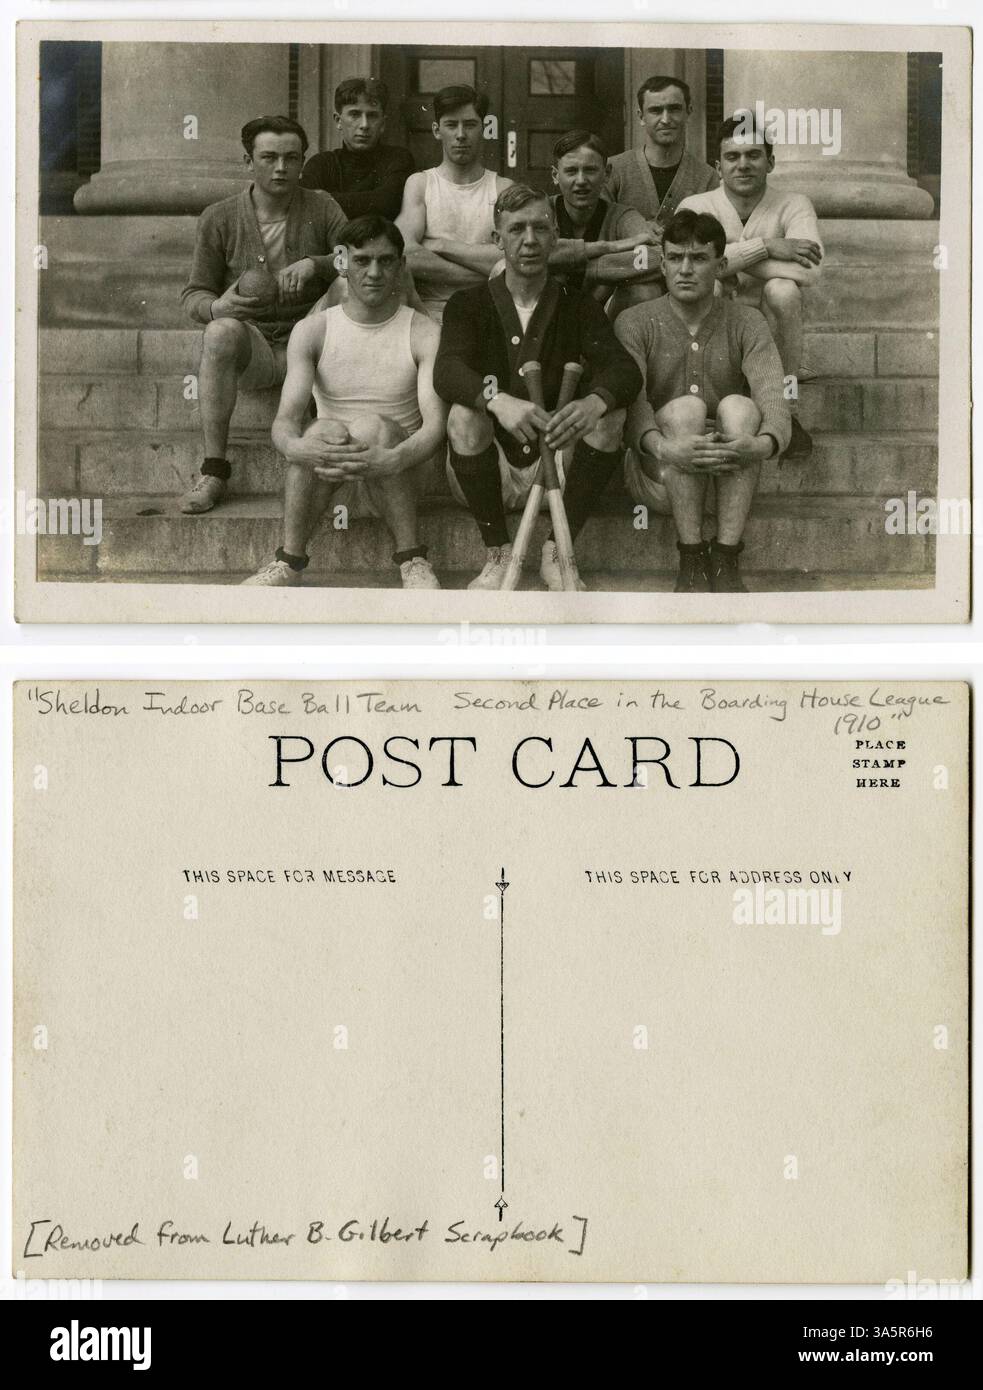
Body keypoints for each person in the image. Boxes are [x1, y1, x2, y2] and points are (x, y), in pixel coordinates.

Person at [433, 184, 641, 591]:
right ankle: (497, 552)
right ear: (497, 239)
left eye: (541, 228)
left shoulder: (578, 303)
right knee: (463, 415)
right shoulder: (468, 303)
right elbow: (447, 371)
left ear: (555, 236)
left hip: (558, 469)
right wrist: (497, 400)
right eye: (516, 229)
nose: (530, 240)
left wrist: (594, 402)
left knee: (609, 415)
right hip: (492, 469)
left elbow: (623, 369)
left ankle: (557, 552)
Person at [243, 215, 446, 589]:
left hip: (399, 470)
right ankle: (288, 560)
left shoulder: (423, 331)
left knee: (372, 427)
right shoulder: (313, 330)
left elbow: (435, 427)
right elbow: (285, 421)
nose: (374, 272)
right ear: (342, 263)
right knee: (321, 430)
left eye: (386, 261)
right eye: (362, 260)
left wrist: (393, 457)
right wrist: (298, 448)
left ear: (401, 267)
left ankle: (412, 558)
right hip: (329, 472)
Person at [616, 208, 791, 594]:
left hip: (730, 472)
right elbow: (632, 403)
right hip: (659, 470)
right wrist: (665, 447)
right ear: (662, 265)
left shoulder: (747, 321)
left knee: (742, 408)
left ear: (721, 264)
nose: (685, 269)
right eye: (675, 258)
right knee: (686, 410)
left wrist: (761, 445)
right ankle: (691, 556)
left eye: (698, 258)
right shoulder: (635, 320)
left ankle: (726, 557)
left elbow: (773, 396)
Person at [180, 116, 348, 514]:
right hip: (254, 344)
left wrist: (316, 264)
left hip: (309, 340)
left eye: (292, 158)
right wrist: (217, 307)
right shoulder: (219, 217)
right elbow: (193, 294)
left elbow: (356, 259)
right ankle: (215, 469)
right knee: (219, 331)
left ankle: (326, 440)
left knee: (345, 286)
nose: (281, 168)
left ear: (302, 162)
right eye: (268, 157)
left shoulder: (322, 205)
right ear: (247, 161)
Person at [679, 113, 823, 461]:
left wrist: (722, 259)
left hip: (769, 324)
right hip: (717, 317)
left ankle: (785, 412)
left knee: (784, 289)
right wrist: (768, 246)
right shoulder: (696, 206)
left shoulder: (794, 203)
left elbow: (810, 271)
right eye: (732, 157)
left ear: (770, 161)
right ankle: (707, 409)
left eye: (753, 155)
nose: (742, 165)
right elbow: (686, 267)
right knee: (705, 288)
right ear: (718, 166)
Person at [395, 85, 512, 323]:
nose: (461, 134)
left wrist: (439, 245)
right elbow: (405, 253)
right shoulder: (420, 184)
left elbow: (513, 257)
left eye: (470, 125)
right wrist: (488, 272)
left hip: (490, 312)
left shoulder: (503, 189)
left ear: (485, 128)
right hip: (428, 312)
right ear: (437, 131)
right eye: (451, 125)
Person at [545, 130, 662, 316]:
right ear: (555, 175)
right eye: (571, 171)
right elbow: (522, 255)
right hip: (547, 314)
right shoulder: (542, 211)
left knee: (646, 291)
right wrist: (610, 247)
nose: (581, 180)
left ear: (606, 174)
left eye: (590, 170)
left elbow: (659, 256)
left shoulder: (622, 216)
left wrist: (589, 268)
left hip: (602, 318)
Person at [606, 76, 718, 235]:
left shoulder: (707, 177)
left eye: (674, 109)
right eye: (655, 110)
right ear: (641, 117)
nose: (665, 120)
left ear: (688, 112)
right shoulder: (613, 170)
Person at [300, 76, 415, 221]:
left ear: (383, 123)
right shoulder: (321, 164)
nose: (364, 125)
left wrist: (326, 199)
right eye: (355, 114)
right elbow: (308, 206)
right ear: (338, 121)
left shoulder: (398, 159)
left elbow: (388, 203)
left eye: (372, 115)